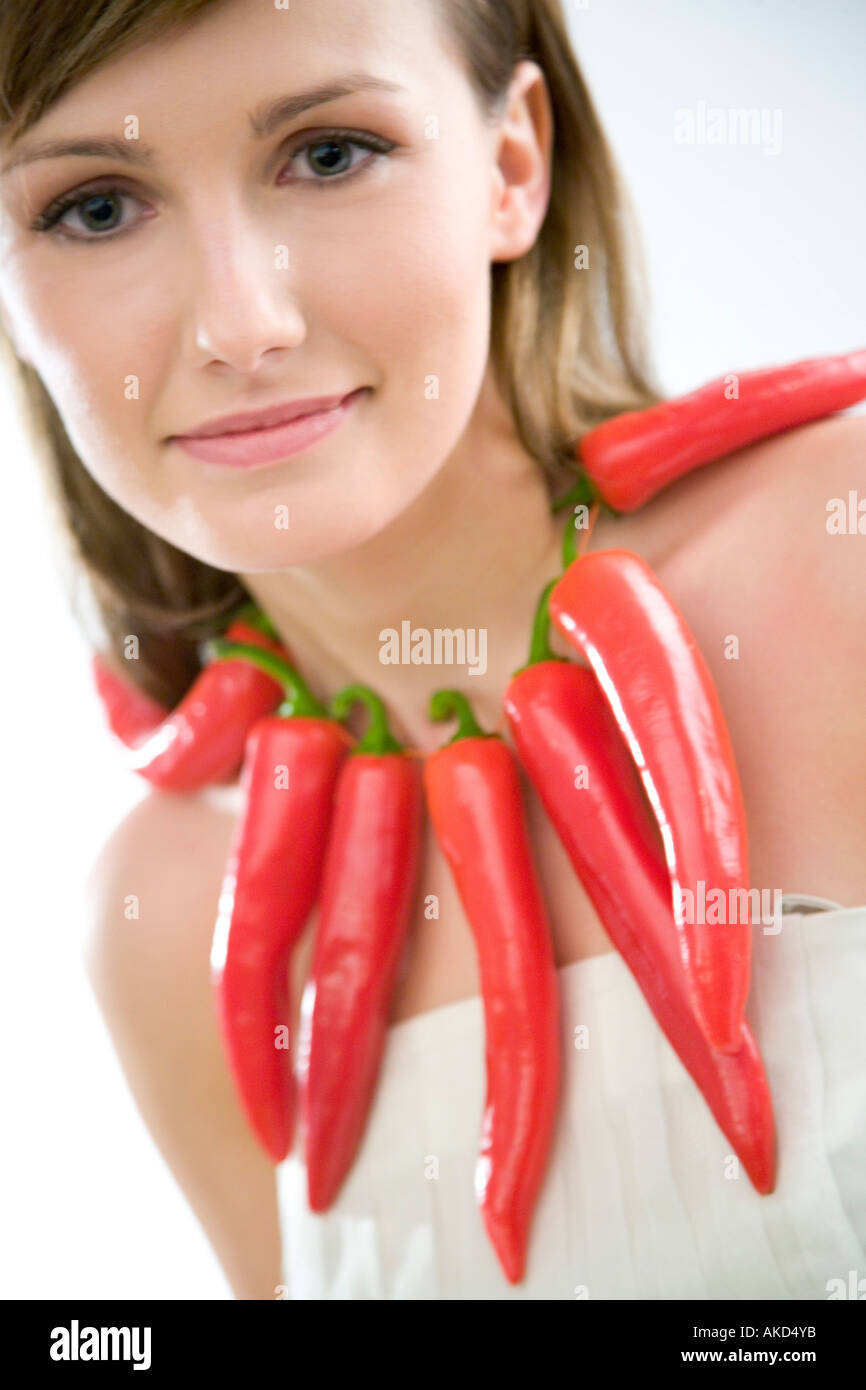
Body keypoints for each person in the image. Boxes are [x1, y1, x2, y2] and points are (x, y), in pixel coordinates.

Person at [0, 0, 863, 1301]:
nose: (243, 324)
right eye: (95, 208)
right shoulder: (166, 916)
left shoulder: (837, 551)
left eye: (330, 153)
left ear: (510, 169)